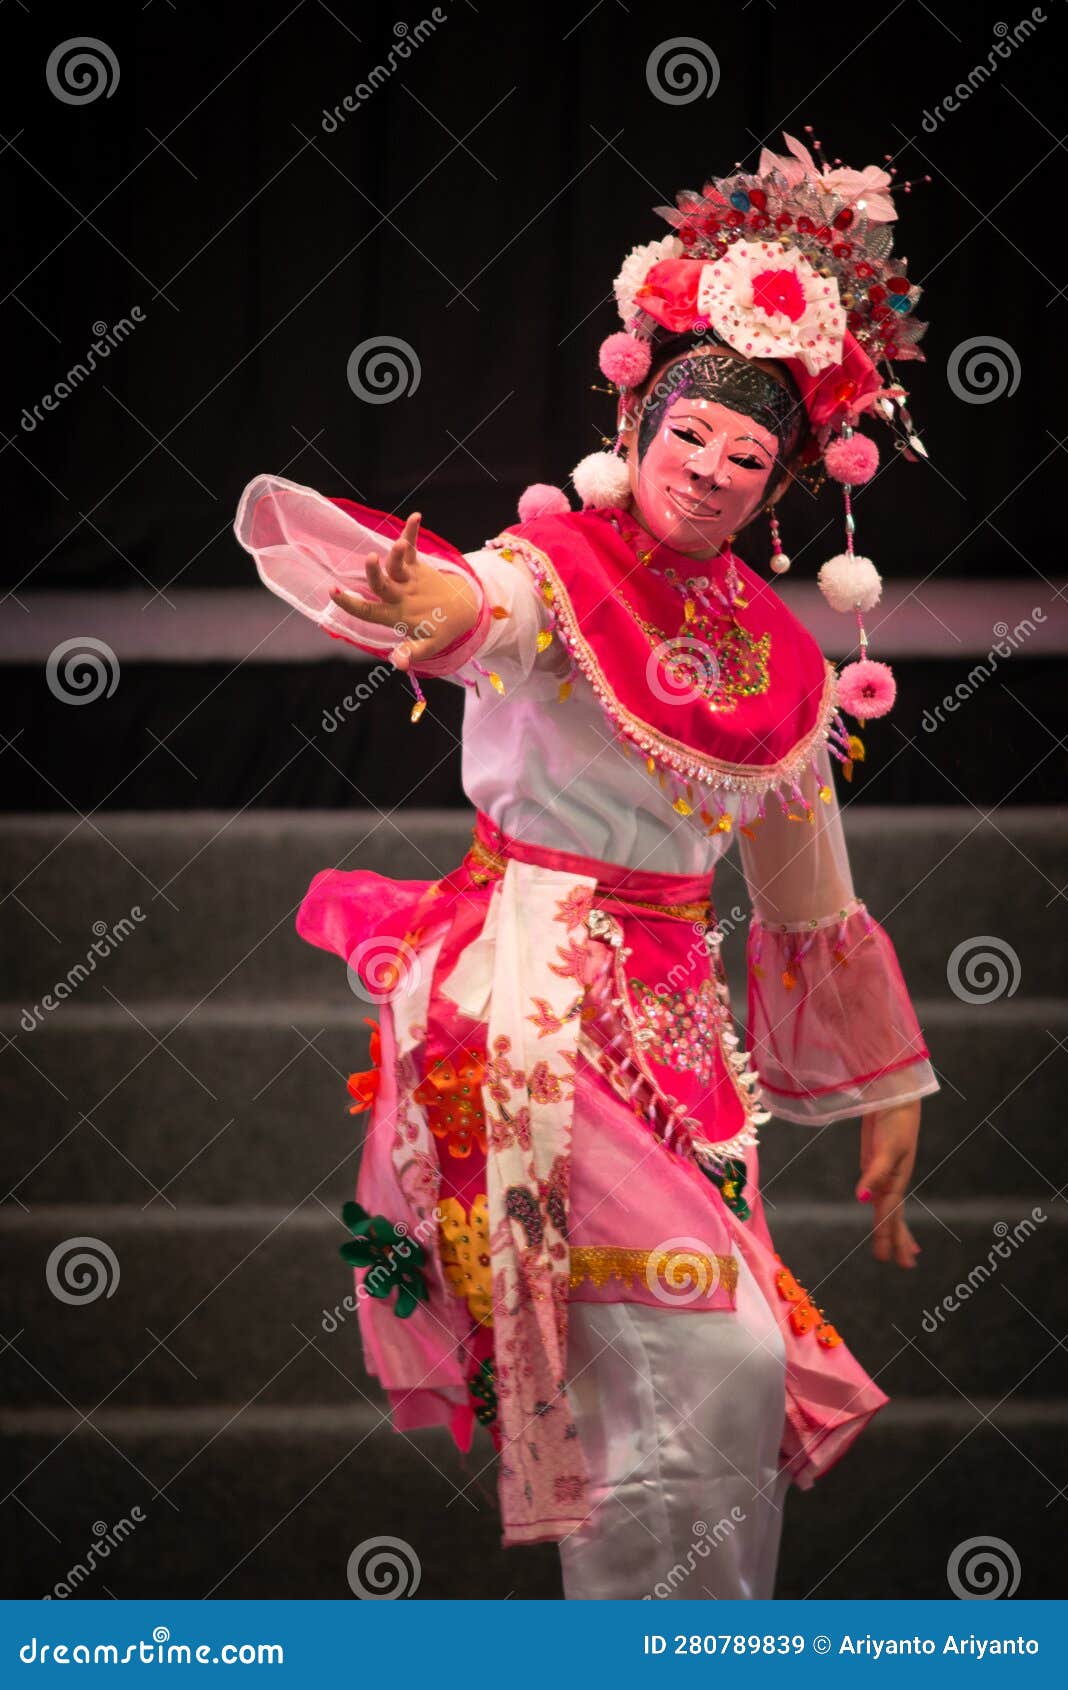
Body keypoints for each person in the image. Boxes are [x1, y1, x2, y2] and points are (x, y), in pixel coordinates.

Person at [234, 129, 939, 1600]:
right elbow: (473, 603)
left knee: (705, 1366)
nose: (711, 472)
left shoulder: (786, 659)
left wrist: (884, 1093)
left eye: (748, 459)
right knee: (707, 1344)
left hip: (678, 1029)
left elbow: (807, 886)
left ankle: (682, 1638)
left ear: (788, 481)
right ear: (639, 420)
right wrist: (422, 594)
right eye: (690, 438)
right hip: (532, 995)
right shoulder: (554, 566)